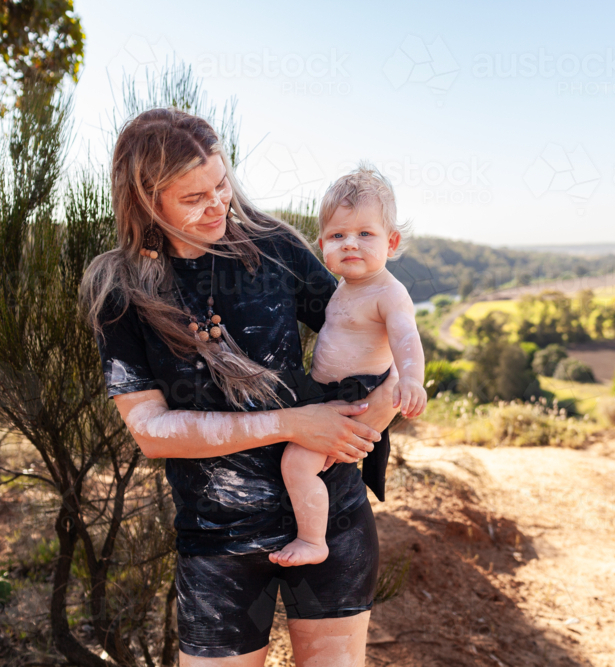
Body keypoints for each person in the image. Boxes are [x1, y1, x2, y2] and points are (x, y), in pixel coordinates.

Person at [79, 108, 399, 666]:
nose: (217, 205)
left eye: (221, 184)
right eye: (192, 197)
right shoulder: (119, 289)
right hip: (216, 540)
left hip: (331, 517)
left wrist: (364, 427)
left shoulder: (274, 246)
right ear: (145, 201)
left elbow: (374, 337)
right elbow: (152, 433)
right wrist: (290, 424)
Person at [269, 164, 426, 567]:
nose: (350, 244)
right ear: (322, 243)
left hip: (354, 397)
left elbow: (406, 337)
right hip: (324, 395)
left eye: (365, 234)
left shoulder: (389, 293)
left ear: (391, 242)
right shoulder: (344, 286)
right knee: (304, 463)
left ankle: (312, 540)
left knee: (297, 463)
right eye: (338, 236)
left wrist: (410, 379)